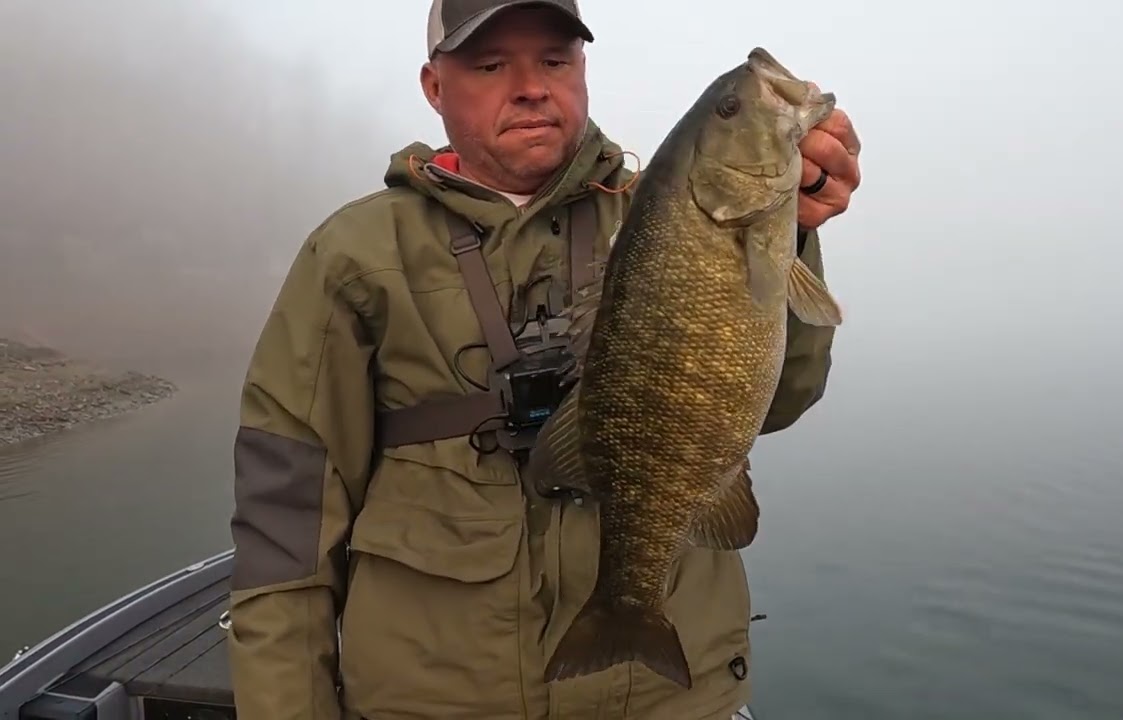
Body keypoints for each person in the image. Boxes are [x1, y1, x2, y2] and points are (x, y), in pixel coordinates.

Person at [225, 1, 862, 718]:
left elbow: (781, 398)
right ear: (435, 87)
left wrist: (795, 233)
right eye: (492, 65)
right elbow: (286, 525)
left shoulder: (664, 211)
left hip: (673, 699)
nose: (531, 86)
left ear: (583, 70)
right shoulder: (352, 258)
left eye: (554, 60)